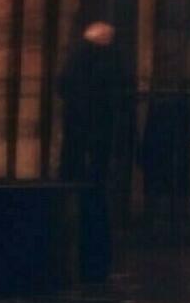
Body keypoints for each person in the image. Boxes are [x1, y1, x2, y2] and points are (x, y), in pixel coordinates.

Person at [56, 19, 133, 279]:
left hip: (80, 144)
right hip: (94, 145)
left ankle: (76, 259)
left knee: (78, 198)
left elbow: (64, 86)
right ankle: (92, 262)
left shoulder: (81, 60)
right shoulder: (102, 62)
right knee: (93, 202)